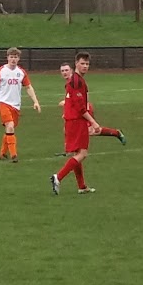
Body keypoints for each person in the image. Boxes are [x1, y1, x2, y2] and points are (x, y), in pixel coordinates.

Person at [0, 47, 41, 162]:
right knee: (10, 125)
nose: (13, 59)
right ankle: (14, 155)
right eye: (11, 57)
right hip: (3, 103)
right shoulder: (1, 71)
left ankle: (3, 153)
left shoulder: (21, 72)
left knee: (10, 129)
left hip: (16, 105)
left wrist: (35, 101)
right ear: (7, 58)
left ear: (19, 59)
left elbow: (28, 87)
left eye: (15, 57)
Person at [51, 52, 98, 194]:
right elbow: (81, 108)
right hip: (77, 121)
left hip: (72, 121)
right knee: (82, 154)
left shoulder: (76, 80)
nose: (85, 66)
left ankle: (82, 186)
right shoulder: (76, 81)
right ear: (76, 64)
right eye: (82, 63)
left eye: (87, 64)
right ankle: (58, 177)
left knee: (77, 153)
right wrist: (93, 122)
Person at [60, 63, 125, 145]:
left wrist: (85, 109)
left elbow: (84, 95)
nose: (64, 72)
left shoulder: (75, 81)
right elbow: (71, 98)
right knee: (67, 129)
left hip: (84, 109)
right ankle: (69, 147)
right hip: (78, 109)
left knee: (90, 131)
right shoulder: (69, 82)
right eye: (62, 71)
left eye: (66, 70)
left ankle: (116, 133)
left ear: (71, 70)